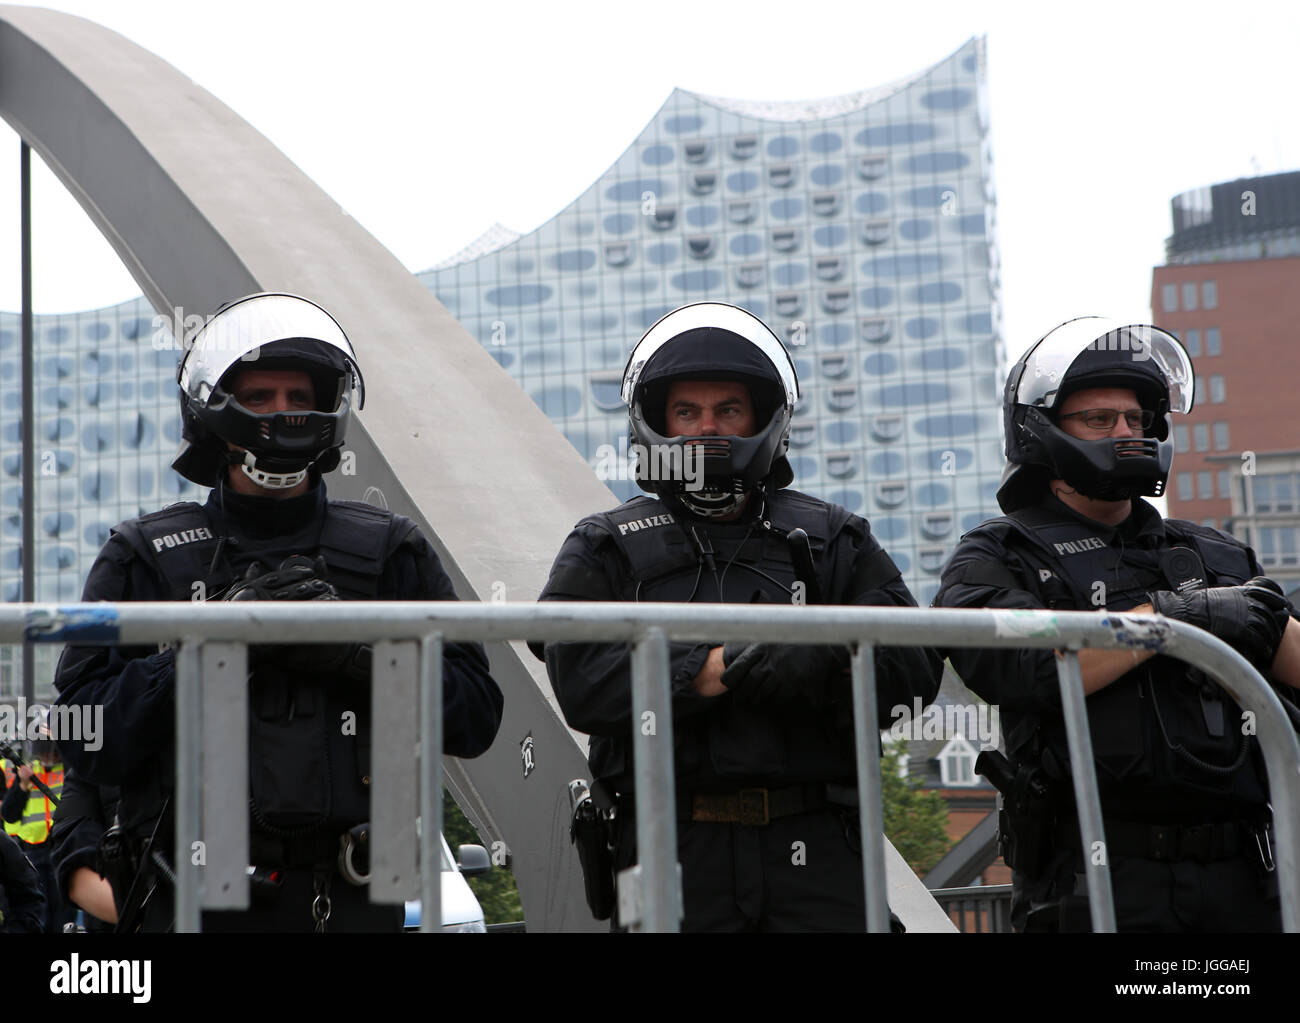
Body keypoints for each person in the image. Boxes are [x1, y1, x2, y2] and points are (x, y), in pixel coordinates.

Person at [54, 292, 504, 932]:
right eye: (260, 397)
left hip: (349, 896)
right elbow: (82, 732)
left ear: (329, 409)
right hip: (188, 899)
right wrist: (210, 653)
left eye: (299, 398)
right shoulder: (145, 557)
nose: (282, 414)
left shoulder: (389, 551)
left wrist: (358, 655)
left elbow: (476, 716)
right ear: (215, 409)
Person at [537, 302, 942, 931]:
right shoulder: (605, 543)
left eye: (728, 410)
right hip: (666, 848)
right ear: (657, 424)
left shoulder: (835, 536)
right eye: (686, 412)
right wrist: (721, 667)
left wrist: (830, 658)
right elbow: (581, 677)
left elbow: (916, 668)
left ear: (761, 419)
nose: (707, 428)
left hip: (819, 845)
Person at [935, 316, 1300, 932]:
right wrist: (1164, 620)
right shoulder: (998, 554)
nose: (1126, 434)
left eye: (1137, 420)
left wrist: (1257, 615)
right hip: (1091, 877)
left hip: (1242, 874)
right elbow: (1024, 671)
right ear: (1043, 431)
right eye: (1101, 421)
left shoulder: (1213, 552)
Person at [1, 711, 70, 932]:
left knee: (62, 913)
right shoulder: (25, 771)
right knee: (41, 910)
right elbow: (9, 813)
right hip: (33, 851)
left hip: (61, 847)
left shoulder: (70, 771)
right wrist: (22, 785)